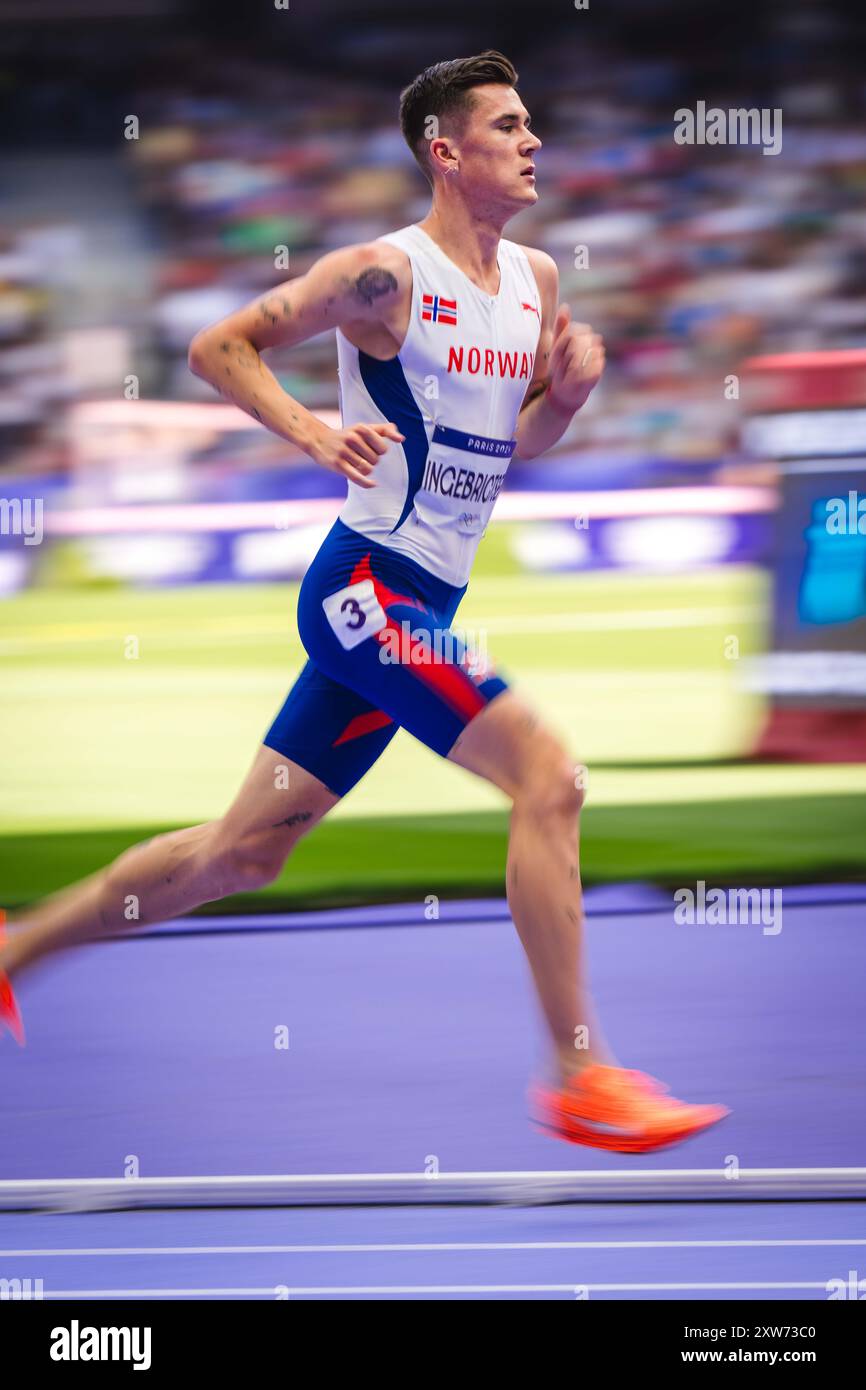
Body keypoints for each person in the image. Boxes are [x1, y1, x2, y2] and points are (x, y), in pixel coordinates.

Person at [1, 51, 728, 1153]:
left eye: (532, 124)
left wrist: (566, 402)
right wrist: (308, 430)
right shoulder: (379, 277)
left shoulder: (535, 280)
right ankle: (581, 1072)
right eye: (509, 125)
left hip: (417, 603)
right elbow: (217, 346)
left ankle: (12, 951)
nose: (534, 140)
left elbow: (511, 443)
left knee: (241, 854)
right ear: (447, 151)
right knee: (549, 773)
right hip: (363, 591)